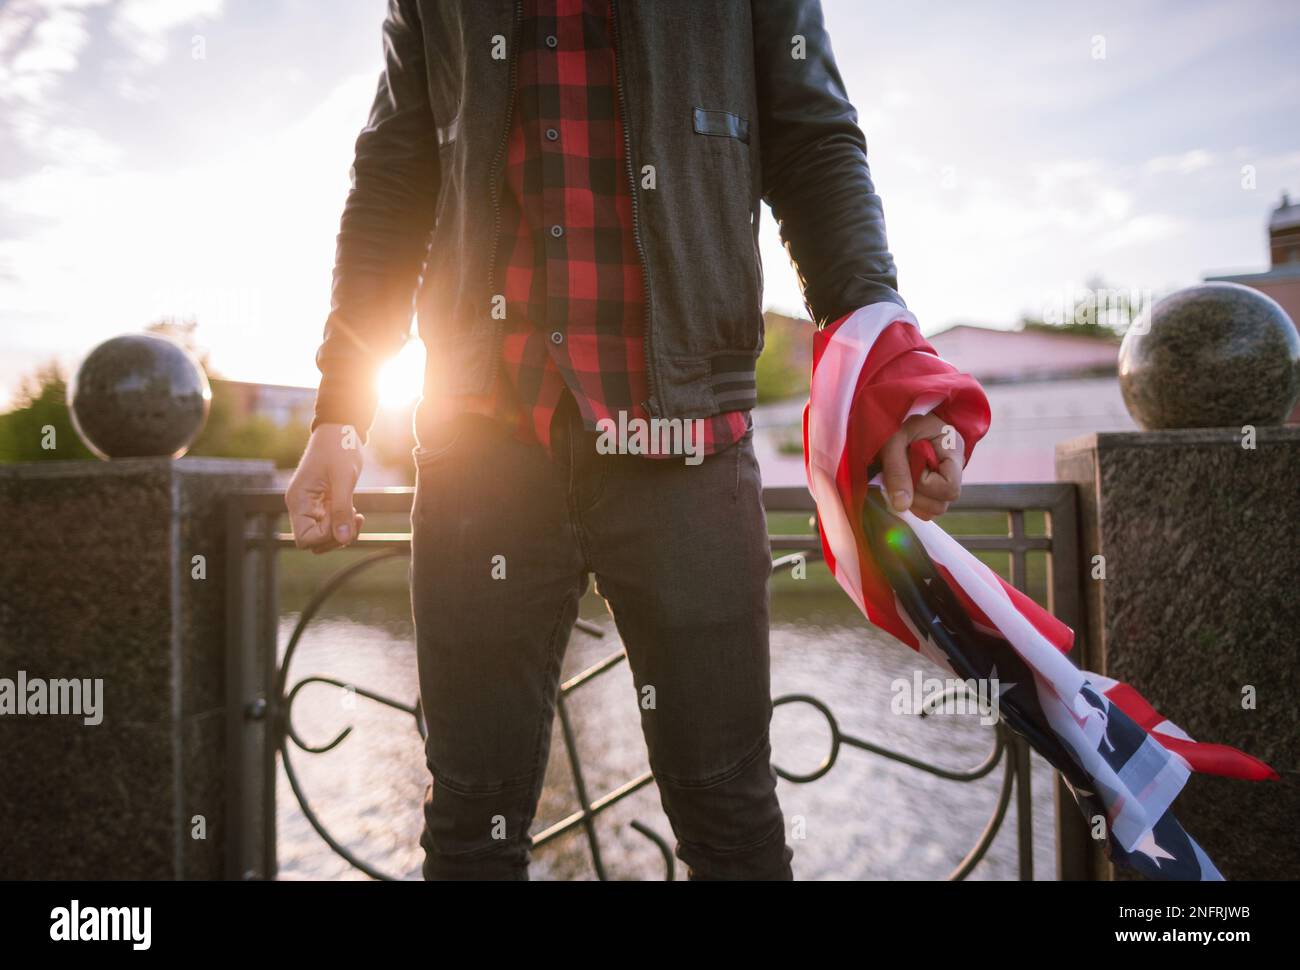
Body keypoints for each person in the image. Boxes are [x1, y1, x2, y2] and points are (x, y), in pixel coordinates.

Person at [286, 0, 964, 881]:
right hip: (479, 442)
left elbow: (813, 143)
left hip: (689, 440)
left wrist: (888, 372)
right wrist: (341, 406)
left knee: (730, 818)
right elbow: (393, 170)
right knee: (468, 825)